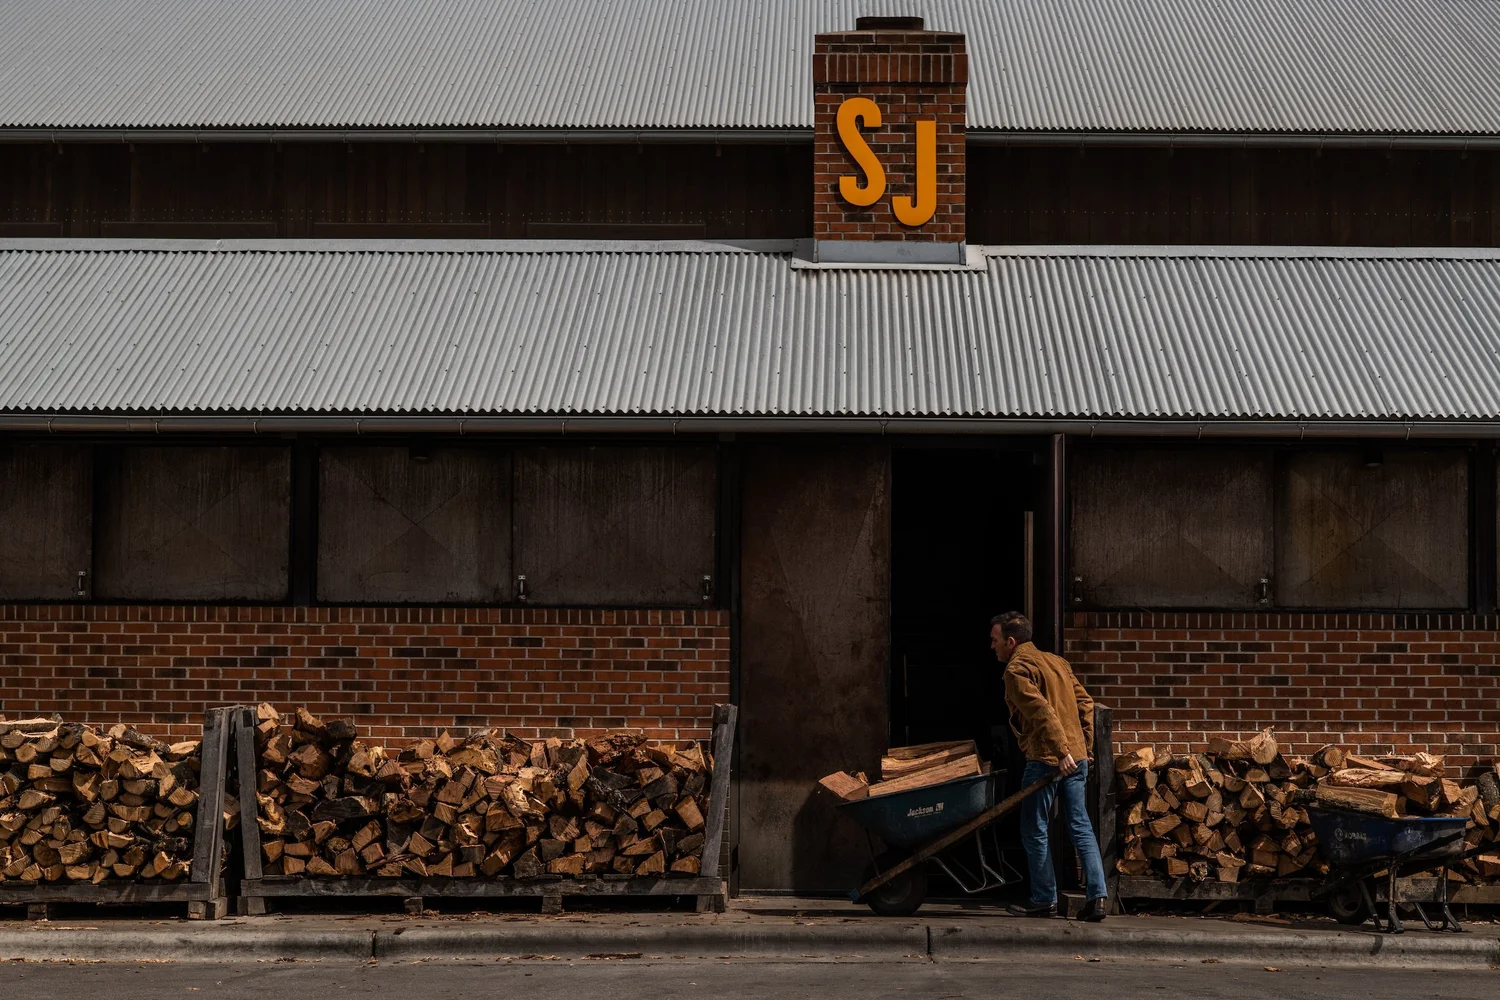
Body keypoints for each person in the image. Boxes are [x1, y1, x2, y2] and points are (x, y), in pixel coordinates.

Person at [990, 611, 1109, 921]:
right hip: (1076, 757)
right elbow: (1085, 703)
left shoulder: (1017, 670)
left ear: (1011, 641)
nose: (993, 646)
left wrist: (1060, 751)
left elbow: (1041, 712)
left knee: (1034, 829)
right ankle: (1098, 899)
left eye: (995, 640)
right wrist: (1084, 748)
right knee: (1080, 826)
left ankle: (1044, 899)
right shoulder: (1058, 662)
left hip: (1047, 760)